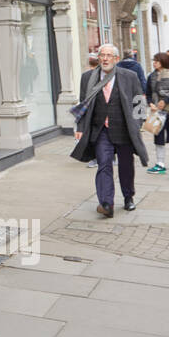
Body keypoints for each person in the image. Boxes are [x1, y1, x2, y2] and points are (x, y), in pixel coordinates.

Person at [70, 43, 149, 217]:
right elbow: (84, 104)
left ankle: (128, 197)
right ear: (98, 58)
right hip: (101, 130)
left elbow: (139, 100)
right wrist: (81, 127)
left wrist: (138, 123)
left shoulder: (129, 76)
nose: (105, 59)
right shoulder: (87, 77)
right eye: (102, 55)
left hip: (124, 129)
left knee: (126, 166)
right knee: (104, 164)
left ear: (116, 59)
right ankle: (106, 203)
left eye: (108, 55)